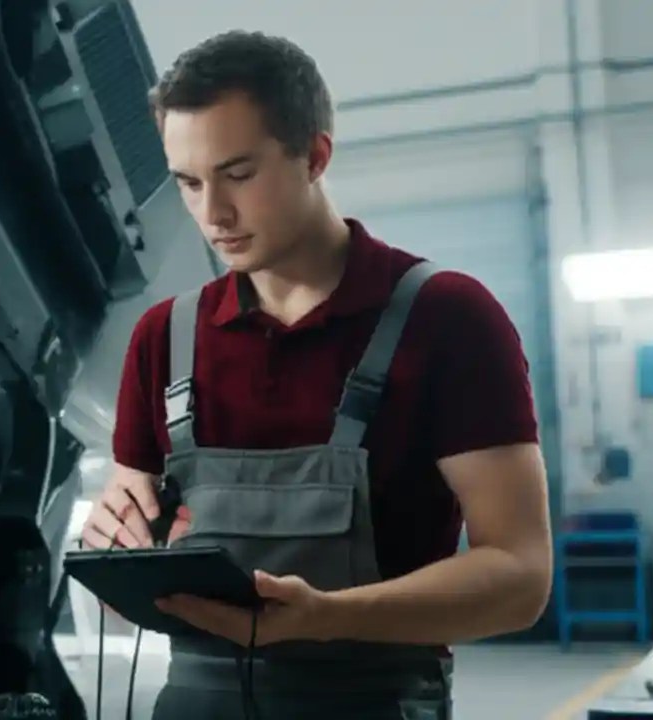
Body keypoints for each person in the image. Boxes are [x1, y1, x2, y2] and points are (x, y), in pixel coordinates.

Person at [78, 30, 554, 719]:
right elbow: (128, 576)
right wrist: (117, 554)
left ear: (315, 155)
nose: (213, 214)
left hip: (371, 702)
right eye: (188, 182)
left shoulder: (447, 318)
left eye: (238, 174)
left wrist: (325, 614)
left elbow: (520, 576)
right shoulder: (163, 339)